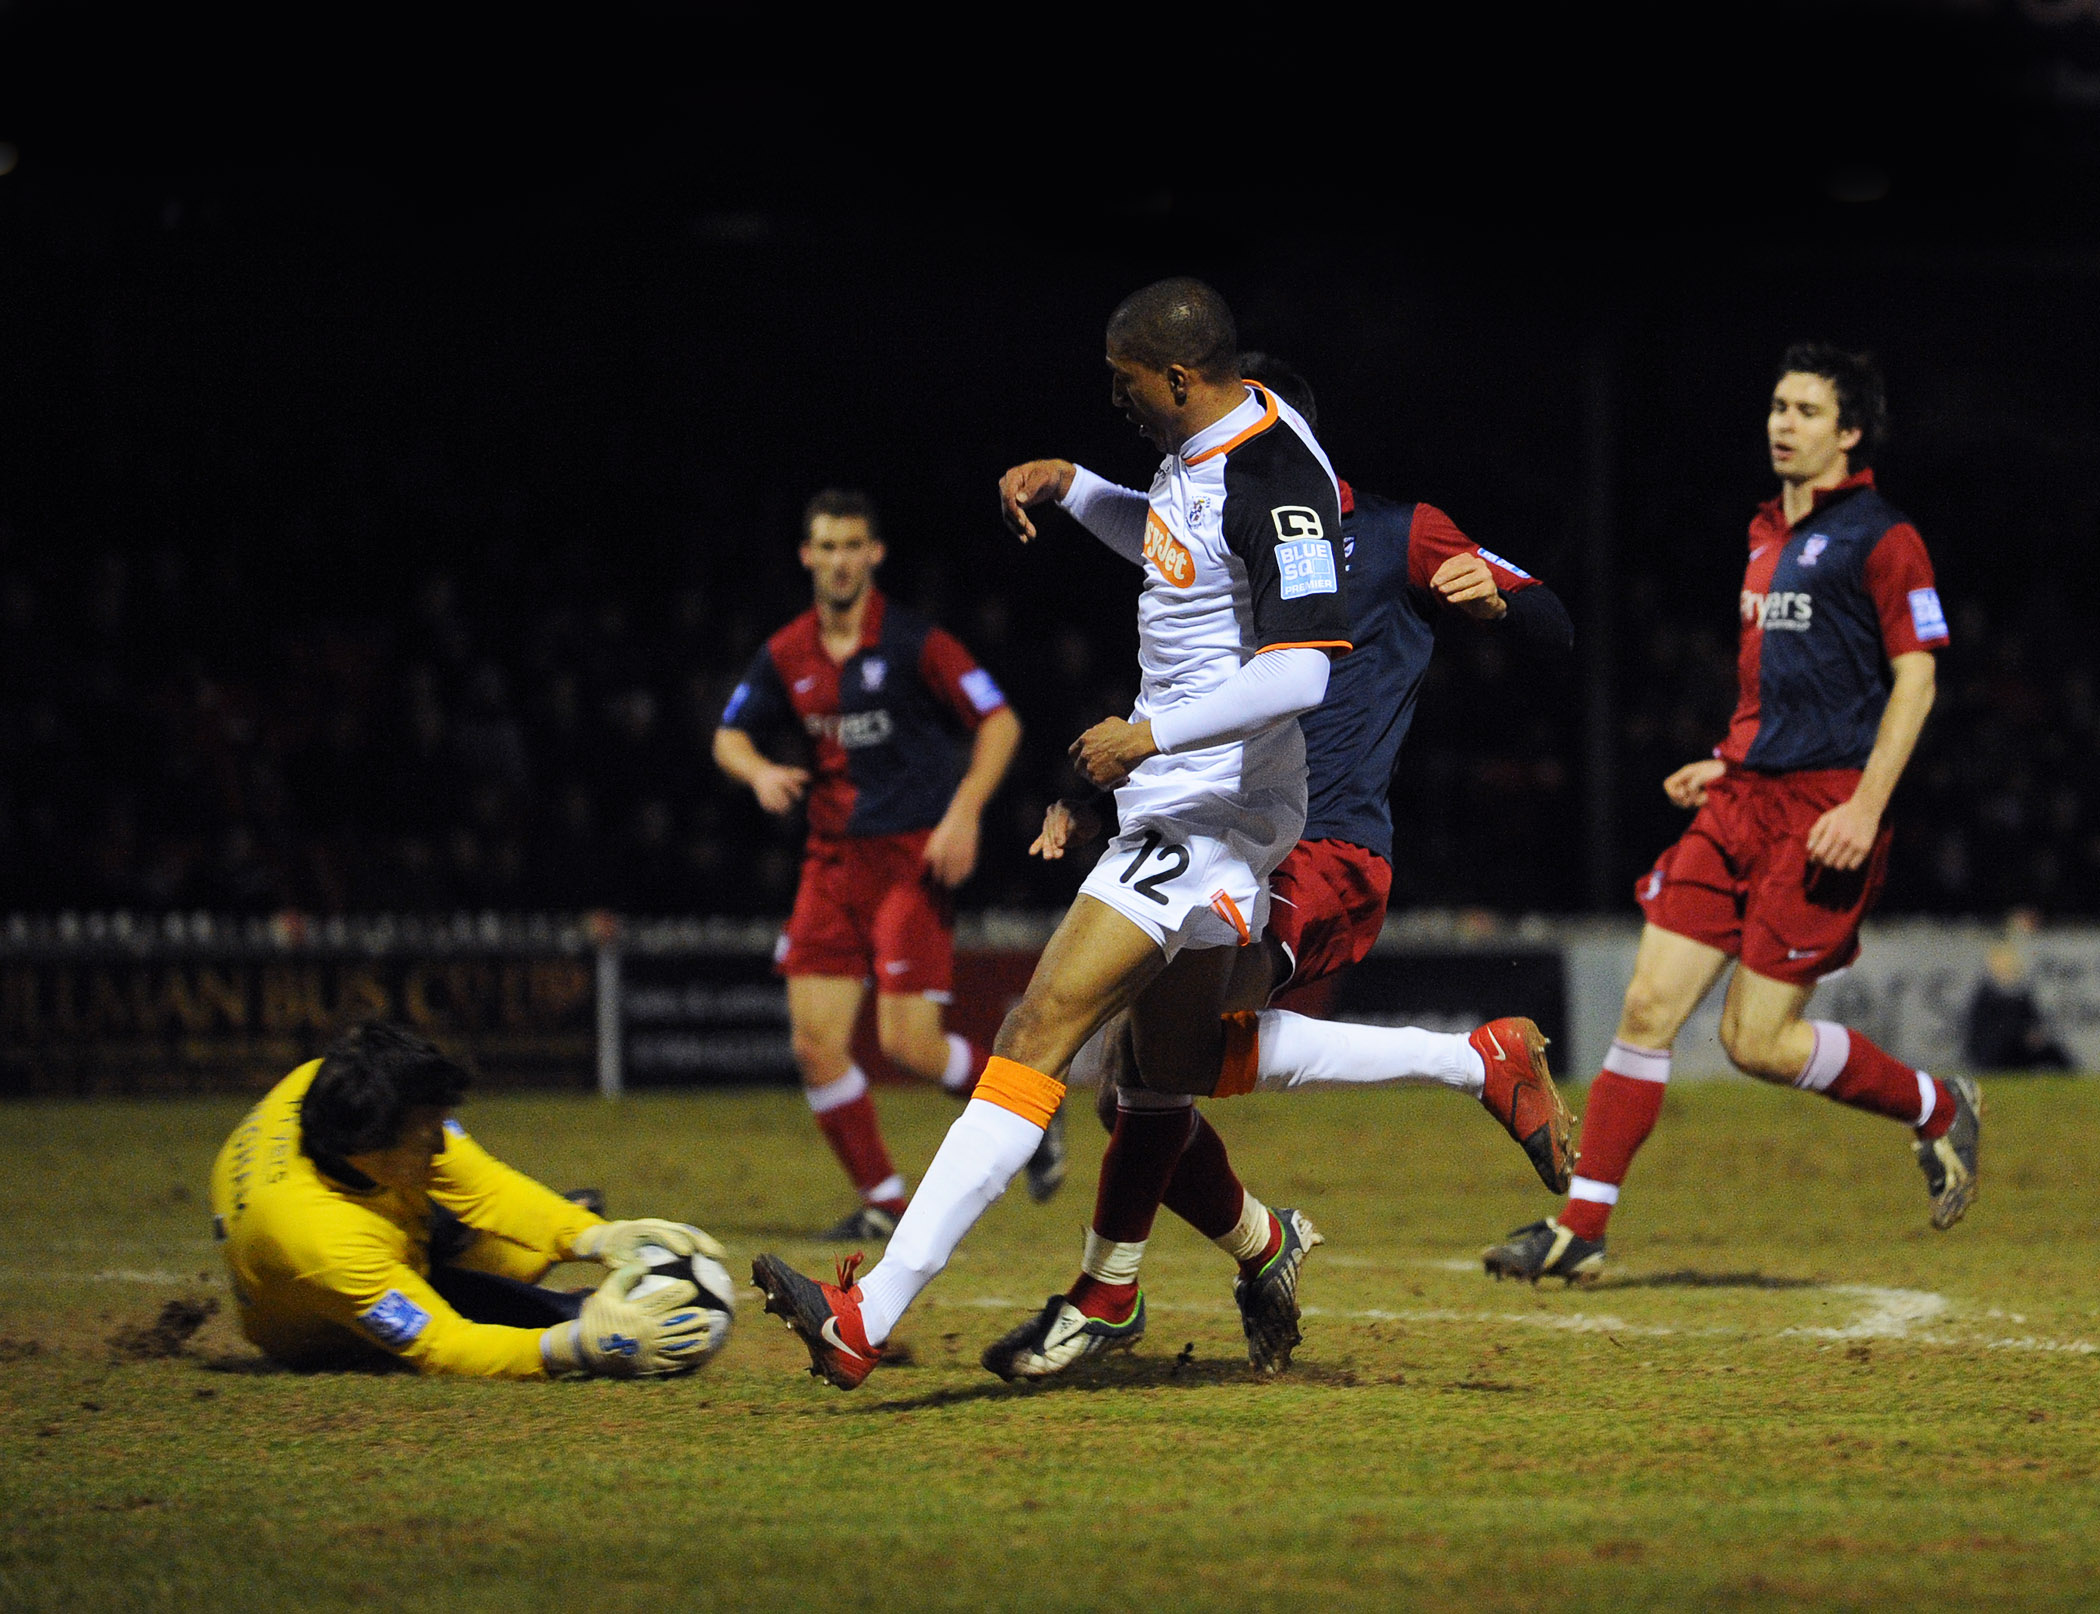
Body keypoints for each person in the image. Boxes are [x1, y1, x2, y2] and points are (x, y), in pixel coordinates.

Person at [751, 279, 1562, 1392]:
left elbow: (1305, 665)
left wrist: (1146, 735)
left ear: (1177, 376)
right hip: (1184, 793)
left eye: (1122, 382)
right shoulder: (1197, 456)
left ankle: (877, 1309)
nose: (1115, 399)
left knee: (1043, 1024)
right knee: (1167, 1067)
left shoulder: (1283, 476)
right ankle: (1467, 1066)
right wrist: (1078, 486)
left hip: (1219, 806)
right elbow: (1178, 551)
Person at [991, 352, 1577, 1378]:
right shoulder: (1210, 529)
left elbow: (1556, 620)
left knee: (1160, 1064)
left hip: (1326, 852)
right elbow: (1179, 690)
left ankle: (1106, 1293)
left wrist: (1500, 603)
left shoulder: (1396, 533)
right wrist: (1088, 802)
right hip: (1223, 832)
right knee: (1135, 1084)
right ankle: (1263, 1246)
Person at [1484, 344, 1976, 1286]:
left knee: (1757, 1043)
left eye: (1804, 410)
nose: (1781, 422)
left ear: (1851, 431)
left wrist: (1867, 808)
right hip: (1743, 800)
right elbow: (1792, 681)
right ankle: (1581, 1227)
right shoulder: (1764, 532)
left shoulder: (1884, 536)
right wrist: (1726, 761)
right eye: (1777, 406)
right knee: (1647, 1005)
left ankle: (1937, 1107)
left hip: (1826, 811)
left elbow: (1917, 679)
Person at [713, 489, 1031, 1239]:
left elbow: (1001, 721)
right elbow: (728, 735)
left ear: (875, 554)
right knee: (814, 1047)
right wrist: (758, 770)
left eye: (853, 545)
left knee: (907, 1047)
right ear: (807, 556)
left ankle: (1028, 1108)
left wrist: (964, 812)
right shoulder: (786, 651)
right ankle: (886, 1203)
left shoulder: (915, 642)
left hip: (909, 862)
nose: (839, 560)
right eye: (826, 546)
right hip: (830, 864)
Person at [210, 1020, 722, 1379]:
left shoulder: (338, 1086)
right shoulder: (322, 1243)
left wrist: (593, 1236)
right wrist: (576, 1348)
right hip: (316, 1324)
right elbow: (444, 1344)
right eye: (425, 1133)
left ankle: (477, 1246)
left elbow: (483, 1184)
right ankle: (513, 1283)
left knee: (503, 1237)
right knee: (552, 1315)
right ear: (366, 1153)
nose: (441, 1142)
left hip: (363, 1216)